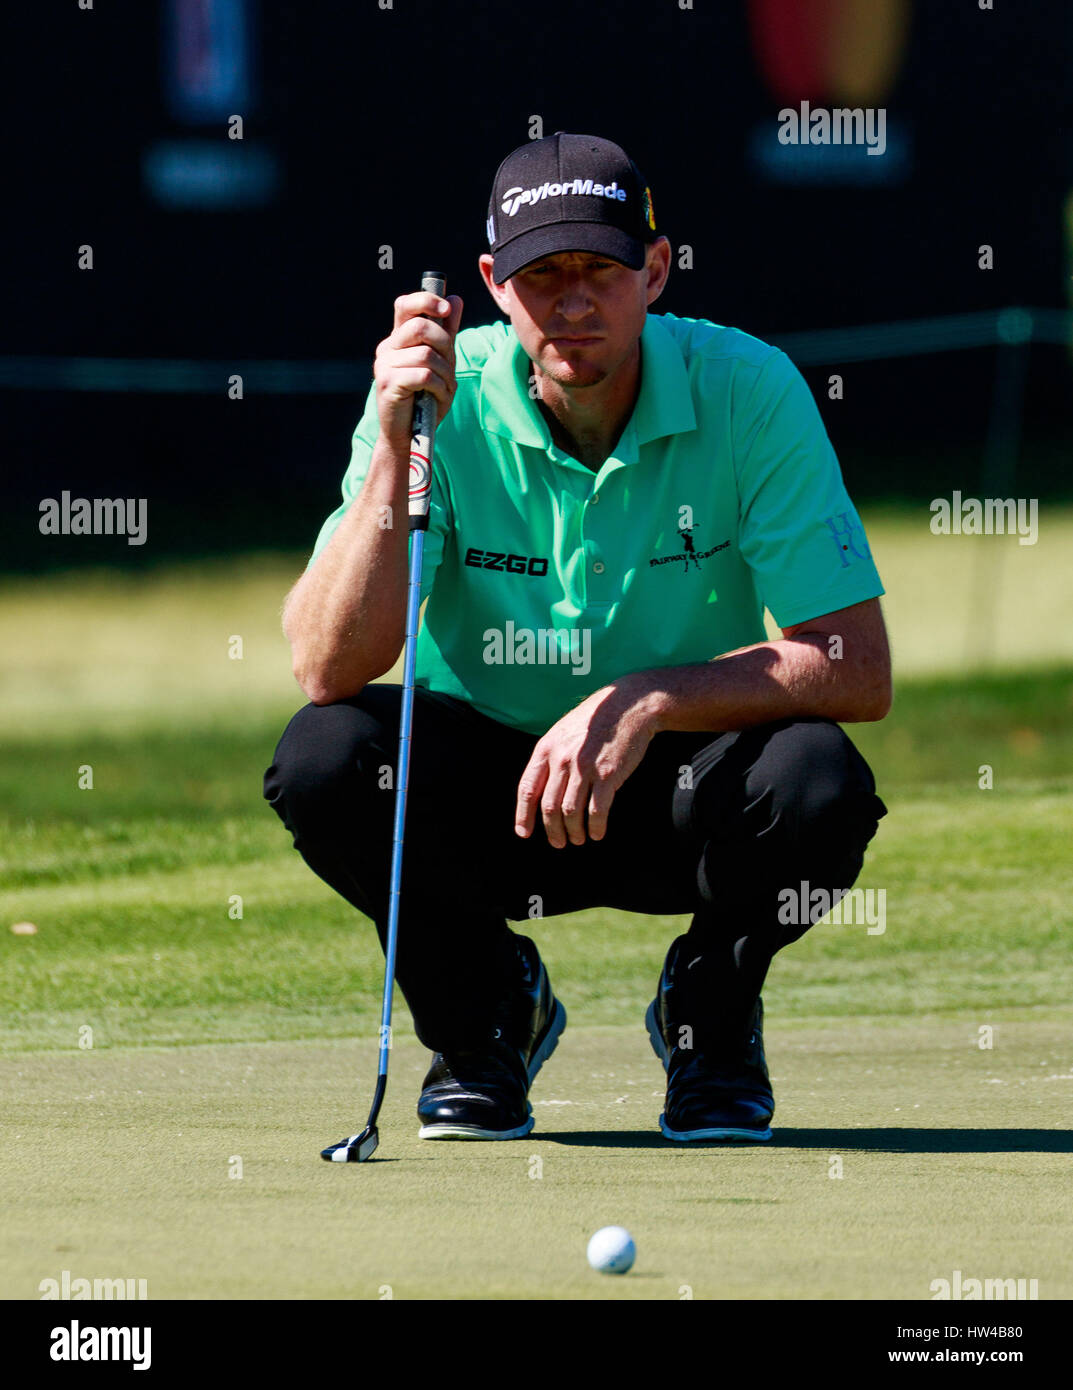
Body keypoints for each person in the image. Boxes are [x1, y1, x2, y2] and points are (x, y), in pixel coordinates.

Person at [264, 132, 890, 1145]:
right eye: (539, 274)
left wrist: (640, 699)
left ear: (652, 269)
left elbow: (855, 665)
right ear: (491, 286)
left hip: (680, 790)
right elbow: (327, 665)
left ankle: (710, 1020)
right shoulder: (435, 401)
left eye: (597, 270)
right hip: (489, 800)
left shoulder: (748, 386)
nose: (569, 302)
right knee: (325, 758)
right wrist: (391, 446)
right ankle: (481, 1026)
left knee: (817, 777)